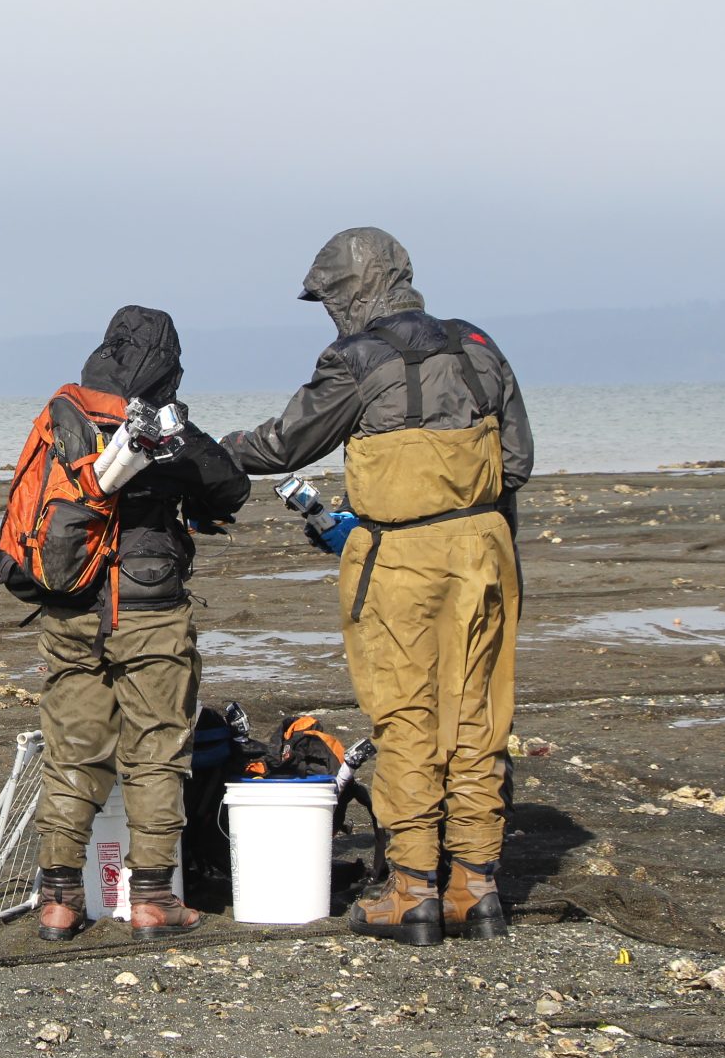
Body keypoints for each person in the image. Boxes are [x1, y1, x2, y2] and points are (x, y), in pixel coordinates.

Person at [221, 227, 532, 944]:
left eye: (329, 297)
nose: (328, 311)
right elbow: (516, 462)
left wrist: (214, 451)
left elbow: (285, 443)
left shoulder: (355, 358)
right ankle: (476, 888)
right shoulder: (480, 346)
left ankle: (413, 891)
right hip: (486, 550)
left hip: (402, 557)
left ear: (352, 291)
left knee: (408, 713)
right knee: (480, 715)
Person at [30, 306, 250, 941]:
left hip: (68, 599)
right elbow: (229, 489)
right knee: (157, 747)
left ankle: (59, 901)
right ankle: (154, 899)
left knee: (72, 751)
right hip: (147, 603)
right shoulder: (164, 424)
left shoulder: (65, 411)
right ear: (168, 363)